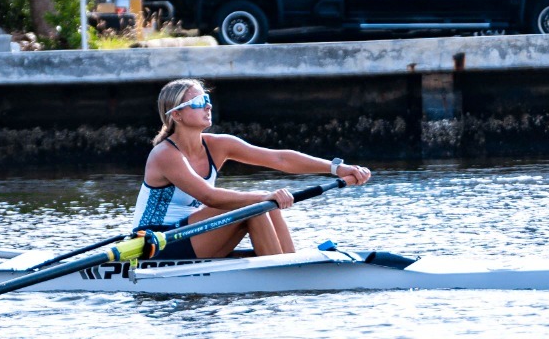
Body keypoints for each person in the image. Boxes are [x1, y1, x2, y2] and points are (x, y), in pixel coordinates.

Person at [134, 77, 371, 260]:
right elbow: (209, 197)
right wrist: (263, 197)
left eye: (207, 99)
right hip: (155, 243)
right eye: (198, 103)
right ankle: (284, 272)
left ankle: (289, 260)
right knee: (257, 203)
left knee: (266, 203)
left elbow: (279, 159)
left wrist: (336, 168)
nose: (207, 106)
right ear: (176, 115)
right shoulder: (164, 154)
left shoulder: (218, 145)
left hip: (194, 236)